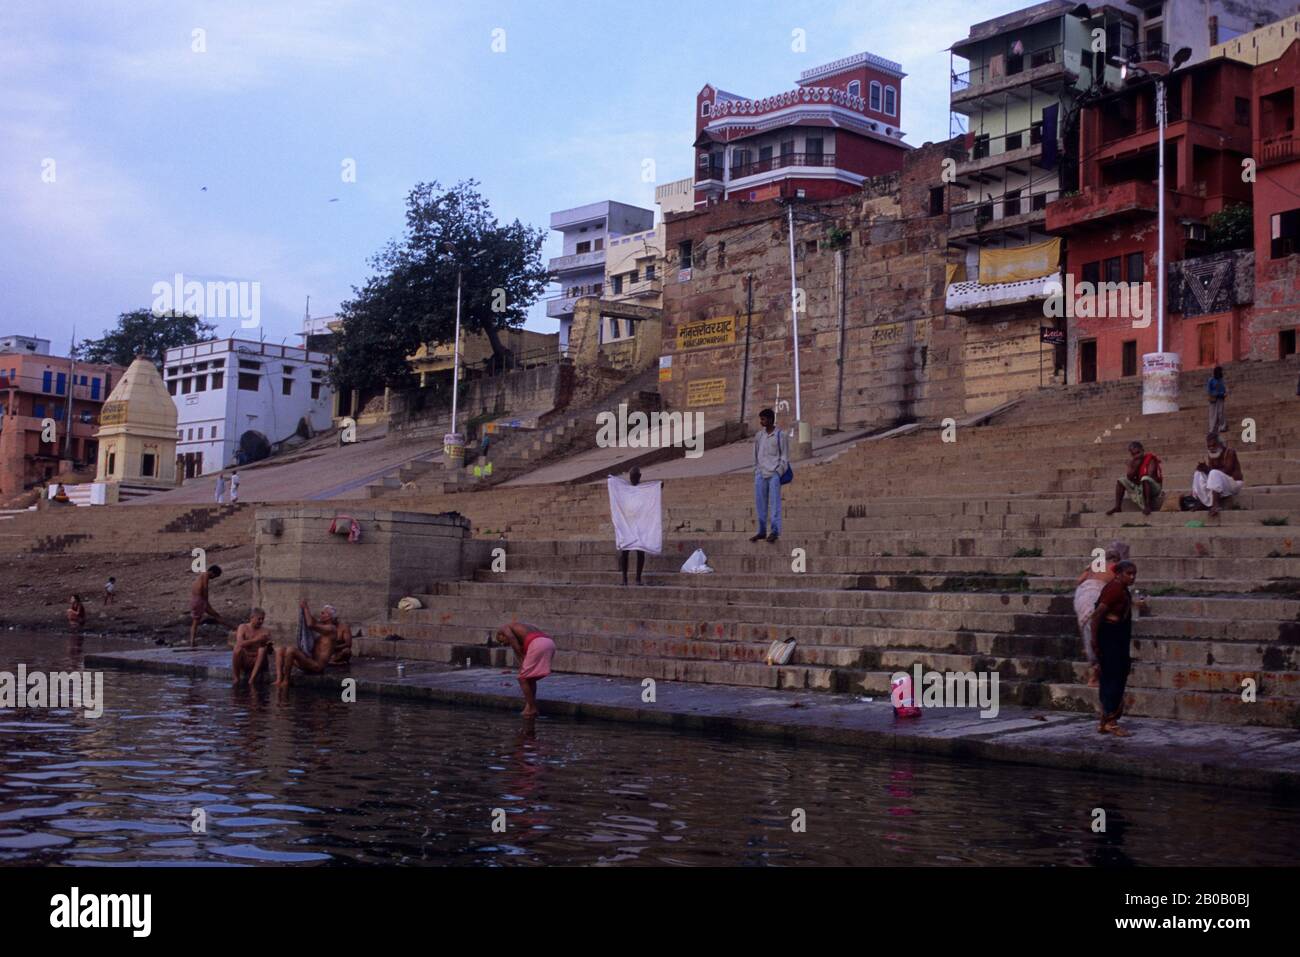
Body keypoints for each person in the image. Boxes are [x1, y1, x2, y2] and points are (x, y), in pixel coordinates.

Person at [1092, 561, 1146, 737]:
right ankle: (1111, 722)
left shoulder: (1122, 589)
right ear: (1119, 574)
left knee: (1113, 677)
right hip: (1110, 639)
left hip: (1117, 638)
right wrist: (1094, 641)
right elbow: (1097, 614)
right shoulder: (1114, 589)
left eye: (1134, 574)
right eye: (1129, 574)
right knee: (1114, 679)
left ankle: (1105, 720)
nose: (1132, 577)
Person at [1073, 541, 1129, 688]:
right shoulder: (1118, 568)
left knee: (1089, 630)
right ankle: (1095, 674)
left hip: (1081, 594)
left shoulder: (1095, 565)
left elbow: (1079, 580)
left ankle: (1094, 667)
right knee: (1098, 632)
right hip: (1095, 596)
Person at [275, 599, 348, 685]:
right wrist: (303, 611)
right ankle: (279, 679)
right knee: (280, 650)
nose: (320, 615)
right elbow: (311, 621)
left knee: (291, 650)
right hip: (308, 661)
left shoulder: (331, 629)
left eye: (323, 613)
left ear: (329, 617)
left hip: (316, 666)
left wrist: (306, 607)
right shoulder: (322, 627)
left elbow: (310, 624)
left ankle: (286, 681)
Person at [494, 621, 556, 718]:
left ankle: (532, 708)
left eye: (501, 641)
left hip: (537, 644)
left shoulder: (504, 627)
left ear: (501, 634)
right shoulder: (525, 626)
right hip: (549, 643)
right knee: (530, 678)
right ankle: (529, 707)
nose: (503, 644)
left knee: (522, 678)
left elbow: (512, 639)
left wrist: (521, 657)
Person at [751, 408, 789, 543]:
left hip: (774, 474)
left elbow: (784, 457)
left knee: (774, 504)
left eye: (763, 419)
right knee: (760, 504)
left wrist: (778, 472)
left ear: (771, 419)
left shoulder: (781, 435)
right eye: (760, 419)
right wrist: (756, 470)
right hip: (760, 474)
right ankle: (762, 531)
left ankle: (774, 531)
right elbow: (755, 455)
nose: (761, 422)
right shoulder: (759, 436)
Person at [1191, 432, 1244, 517]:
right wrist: (1204, 469)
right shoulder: (1211, 454)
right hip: (1220, 482)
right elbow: (1211, 472)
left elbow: (1227, 470)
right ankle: (1202, 502)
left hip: (1233, 483)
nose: (1211, 448)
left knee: (1214, 473)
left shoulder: (1230, 452)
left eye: (1214, 445)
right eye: (1209, 446)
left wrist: (1208, 470)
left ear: (1220, 444)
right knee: (1198, 473)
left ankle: (1215, 505)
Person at [1107, 441, 1162, 516]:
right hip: (1140, 486)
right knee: (1121, 480)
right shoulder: (1134, 461)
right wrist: (1136, 464)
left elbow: (1149, 475)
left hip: (1153, 487)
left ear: (1142, 450)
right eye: (1133, 454)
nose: (1136, 455)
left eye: (1138, 452)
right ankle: (1118, 507)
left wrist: (1137, 477)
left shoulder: (1150, 459)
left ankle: (1147, 506)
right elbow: (1129, 477)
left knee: (1145, 478)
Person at [189, 565, 231, 647]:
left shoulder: (202, 575)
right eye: (215, 576)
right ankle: (192, 642)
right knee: (196, 621)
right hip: (199, 600)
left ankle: (235, 628)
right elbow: (205, 588)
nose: (213, 578)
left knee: (215, 615)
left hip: (197, 600)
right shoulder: (205, 575)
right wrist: (206, 600)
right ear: (212, 572)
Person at [231, 608, 273, 686]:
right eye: (259, 619)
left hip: (257, 660)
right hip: (245, 659)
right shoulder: (243, 627)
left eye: (262, 619)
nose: (261, 621)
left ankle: (252, 679)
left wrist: (269, 646)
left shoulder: (265, 631)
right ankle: (236, 678)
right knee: (237, 648)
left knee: (262, 650)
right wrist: (257, 640)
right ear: (252, 618)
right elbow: (240, 643)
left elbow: (269, 652)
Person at [1206, 365, 1227, 434]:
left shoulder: (1221, 380)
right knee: (1213, 414)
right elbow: (1208, 390)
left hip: (1220, 398)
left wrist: (1224, 393)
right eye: (1219, 371)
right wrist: (1213, 394)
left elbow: (1224, 388)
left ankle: (1222, 427)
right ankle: (1212, 428)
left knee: (1221, 413)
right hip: (1213, 399)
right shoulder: (1211, 380)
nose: (1221, 372)